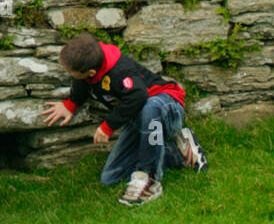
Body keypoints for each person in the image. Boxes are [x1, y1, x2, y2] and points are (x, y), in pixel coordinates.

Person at [42, 31, 208, 206]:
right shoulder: (92, 65)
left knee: (149, 106)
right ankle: (179, 153)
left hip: (166, 106)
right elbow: (82, 82)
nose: (70, 74)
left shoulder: (120, 72)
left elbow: (138, 95)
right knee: (110, 177)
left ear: (90, 72)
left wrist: (108, 126)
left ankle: (149, 179)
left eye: (71, 72)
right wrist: (71, 104)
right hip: (137, 116)